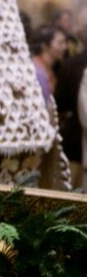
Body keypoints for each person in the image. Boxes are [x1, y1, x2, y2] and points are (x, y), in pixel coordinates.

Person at [55, 14, 87, 188]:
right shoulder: (78, 67)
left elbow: (61, 100)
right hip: (77, 137)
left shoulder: (70, 64)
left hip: (72, 136)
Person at [30, 26, 67, 104]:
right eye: (60, 43)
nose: (65, 47)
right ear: (44, 46)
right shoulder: (38, 71)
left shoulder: (49, 67)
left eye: (65, 43)